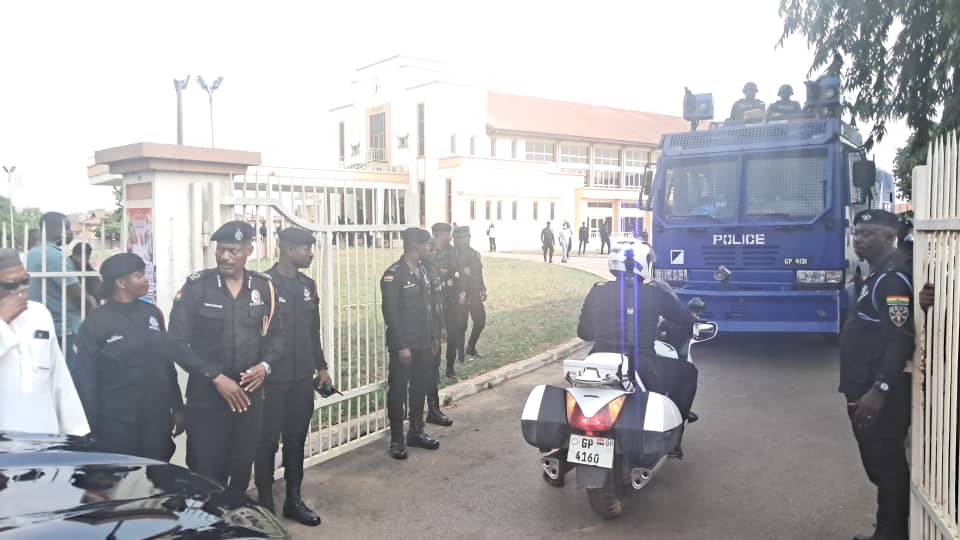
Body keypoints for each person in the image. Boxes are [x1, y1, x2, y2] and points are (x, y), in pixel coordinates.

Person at [168, 221, 283, 492]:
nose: (224, 257)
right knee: (206, 472)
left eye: (233, 250)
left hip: (248, 399)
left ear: (249, 251)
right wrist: (215, 377)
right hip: (207, 400)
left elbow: (278, 337)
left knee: (241, 469)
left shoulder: (264, 287)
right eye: (220, 250)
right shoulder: (197, 288)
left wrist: (265, 367)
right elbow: (175, 343)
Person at [576, 243, 699, 453]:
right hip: (642, 364)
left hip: (597, 362)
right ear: (642, 263)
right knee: (689, 373)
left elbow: (584, 333)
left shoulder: (597, 291)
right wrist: (693, 320)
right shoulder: (653, 293)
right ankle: (674, 435)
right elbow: (682, 318)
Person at [840, 209, 913, 540]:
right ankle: (891, 529)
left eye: (867, 233)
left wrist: (879, 389)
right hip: (861, 391)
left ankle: (891, 534)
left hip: (878, 395)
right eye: (857, 231)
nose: (858, 238)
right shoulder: (874, 275)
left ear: (888, 238)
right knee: (879, 466)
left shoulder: (892, 279)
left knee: (887, 467)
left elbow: (901, 337)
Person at [71, 253, 183, 461]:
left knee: (157, 479)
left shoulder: (152, 313)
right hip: (116, 423)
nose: (145, 279)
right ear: (121, 282)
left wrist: (177, 407)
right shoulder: (96, 323)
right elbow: (85, 380)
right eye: (138, 275)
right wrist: (92, 427)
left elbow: (166, 364)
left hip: (155, 419)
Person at [254, 227, 328, 525]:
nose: (311, 253)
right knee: (267, 441)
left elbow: (313, 331)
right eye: (306, 248)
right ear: (288, 250)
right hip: (272, 379)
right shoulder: (262, 284)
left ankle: (293, 500)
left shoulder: (308, 285)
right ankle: (265, 503)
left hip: (301, 377)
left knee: (296, 439)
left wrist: (321, 367)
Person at [0, 248, 89, 436]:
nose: (22, 289)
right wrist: (3, 321)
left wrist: (78, 433)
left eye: (25, 281)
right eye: (10, 285)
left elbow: (60, 380)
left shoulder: (38, 314)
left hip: (43, 442)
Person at [380, 227, 442, 459]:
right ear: (416, 246)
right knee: (398, 391)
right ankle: (397, 439)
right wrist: (401, 345)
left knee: (420, 386)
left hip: (425, 341)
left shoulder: (423, 271)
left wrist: (434, 336)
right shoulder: (393, 275)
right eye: (427, 245)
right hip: (405, 345)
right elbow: (391, 314)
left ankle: (416, 431)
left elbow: (430, 308)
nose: (430, 249)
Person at [27, 212, 97, 370]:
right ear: (52, 229)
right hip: (65, 329)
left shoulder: (31, 253)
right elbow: (76, 294)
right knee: (71, 377)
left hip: (43, 326)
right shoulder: (55, 256)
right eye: (66, 228)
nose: (70, 232)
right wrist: (91, 305)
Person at [425, 223, 454, 424]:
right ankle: (415, 415)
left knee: (433, 368)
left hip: (435, 324)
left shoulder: (433, 271)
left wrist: (442, 326)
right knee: (421, 372)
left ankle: (433, 410)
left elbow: (437, 301)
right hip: (420, 329)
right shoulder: (419, 269)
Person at [457, 227, 487, 358]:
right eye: (463, 237)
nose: (466, 239)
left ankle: (470, 347)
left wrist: (483, 288)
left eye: (468, 236)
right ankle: (459, 353)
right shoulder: (454, 255)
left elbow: (479, 273)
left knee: (480, 320)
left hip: (474, 294)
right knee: (461, 326)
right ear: (457, 238)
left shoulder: (475, 253)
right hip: (461, 296)